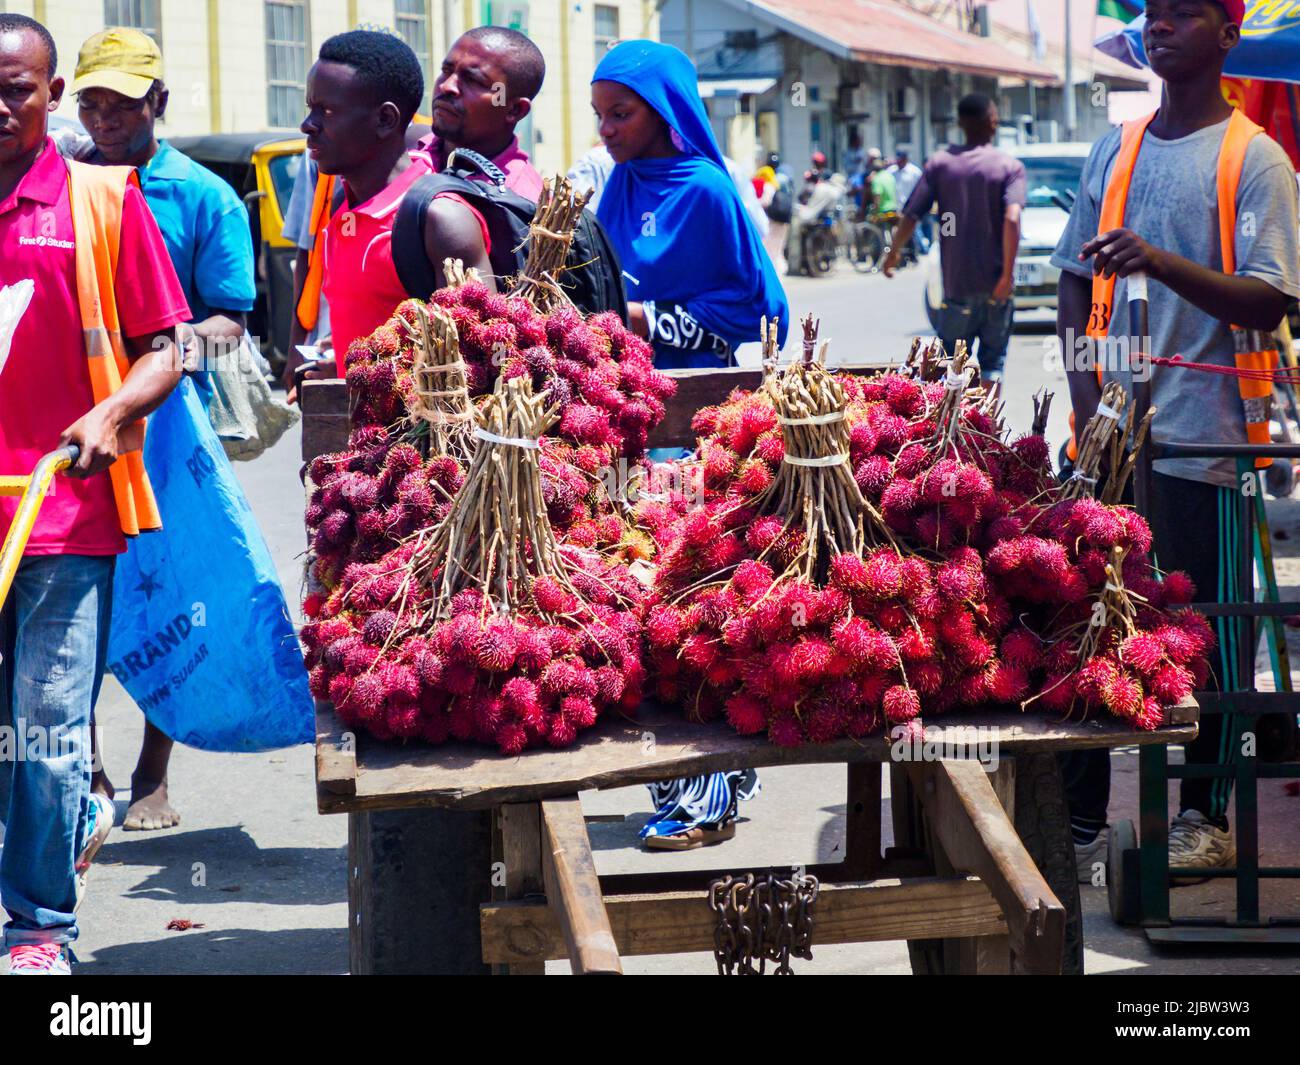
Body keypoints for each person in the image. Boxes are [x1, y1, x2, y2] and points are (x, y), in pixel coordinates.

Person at [1052, 0, 1299, 881]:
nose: (1163, 27)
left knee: (1208, 638)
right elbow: (1075, 283)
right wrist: (1090, 409)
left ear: (1229, 35)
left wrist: (1158, 260)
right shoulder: (1115, 149)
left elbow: (1269, 299)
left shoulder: (1255, 160)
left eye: (1187, 14)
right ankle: (1080, 823)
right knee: (1090, 634)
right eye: (1155, 14)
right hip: (1114, 453)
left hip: (1211, 448)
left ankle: (1205, 815)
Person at [0, 14, 189, 973]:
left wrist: (111, 416)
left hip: (62, 514)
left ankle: (38, 928)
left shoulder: (101, 201)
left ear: (51, 93)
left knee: (40, 730)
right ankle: (68, 823)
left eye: (16, 90)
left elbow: (169, 345)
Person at [591, 39, 787, 849]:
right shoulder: (616, 187)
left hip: (699, 428)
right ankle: (705, 776)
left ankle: (702, 791)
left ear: (664, 112)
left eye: (621, 112)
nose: (606, 128)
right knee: (641, 595)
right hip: (631, 428)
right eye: (600, 113)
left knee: (686, 598)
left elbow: (758, 312)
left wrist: (648, 321)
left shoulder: (707, 190)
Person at [72, 27, 257, 833]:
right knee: (71, 599)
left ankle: (152, 772)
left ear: (160, 103)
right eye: (92, 103)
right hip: (67, 422)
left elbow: (230, 318)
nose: (107, 118)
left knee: (168, 602)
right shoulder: (55, 185)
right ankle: (89, 773)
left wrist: (156, 355)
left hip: (167, 429)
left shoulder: (201, 197)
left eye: (124, 102)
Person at [287, 27, 545, 389]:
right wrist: (345, 358)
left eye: (327, 111)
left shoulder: (455, 211)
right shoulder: (349, 194)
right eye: (446, 70)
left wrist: (370, 369)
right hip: (355, 431)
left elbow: (479, 362)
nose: (448, 86)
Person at [882, 93, 1025, 389]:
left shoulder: (941, 165)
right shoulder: (1008, 167)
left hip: (957, 284)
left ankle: (956, 432)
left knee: (952, 367)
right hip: (996, 285)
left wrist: (893, 253)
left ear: (960, 123)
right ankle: (988, 431)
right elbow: (1012, 219)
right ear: (993, 122)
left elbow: (911, 215)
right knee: (992, 365)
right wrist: (1006, 275)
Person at [785, 168, 843, 277]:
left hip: (811, 218)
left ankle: (795, 265)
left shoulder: (814, 188)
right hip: (817, 218)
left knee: (795, 235)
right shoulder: (826, 189)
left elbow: (806, 204)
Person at [888, 149, 928, 253]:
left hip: (911, 205)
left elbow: (921, 188)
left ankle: (920, 251)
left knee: (913, 230)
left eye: (901, 159)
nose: (898, 162)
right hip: (896, 206)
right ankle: (900, 252)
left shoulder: (914, 172)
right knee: (900, 230)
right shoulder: (891, 171)